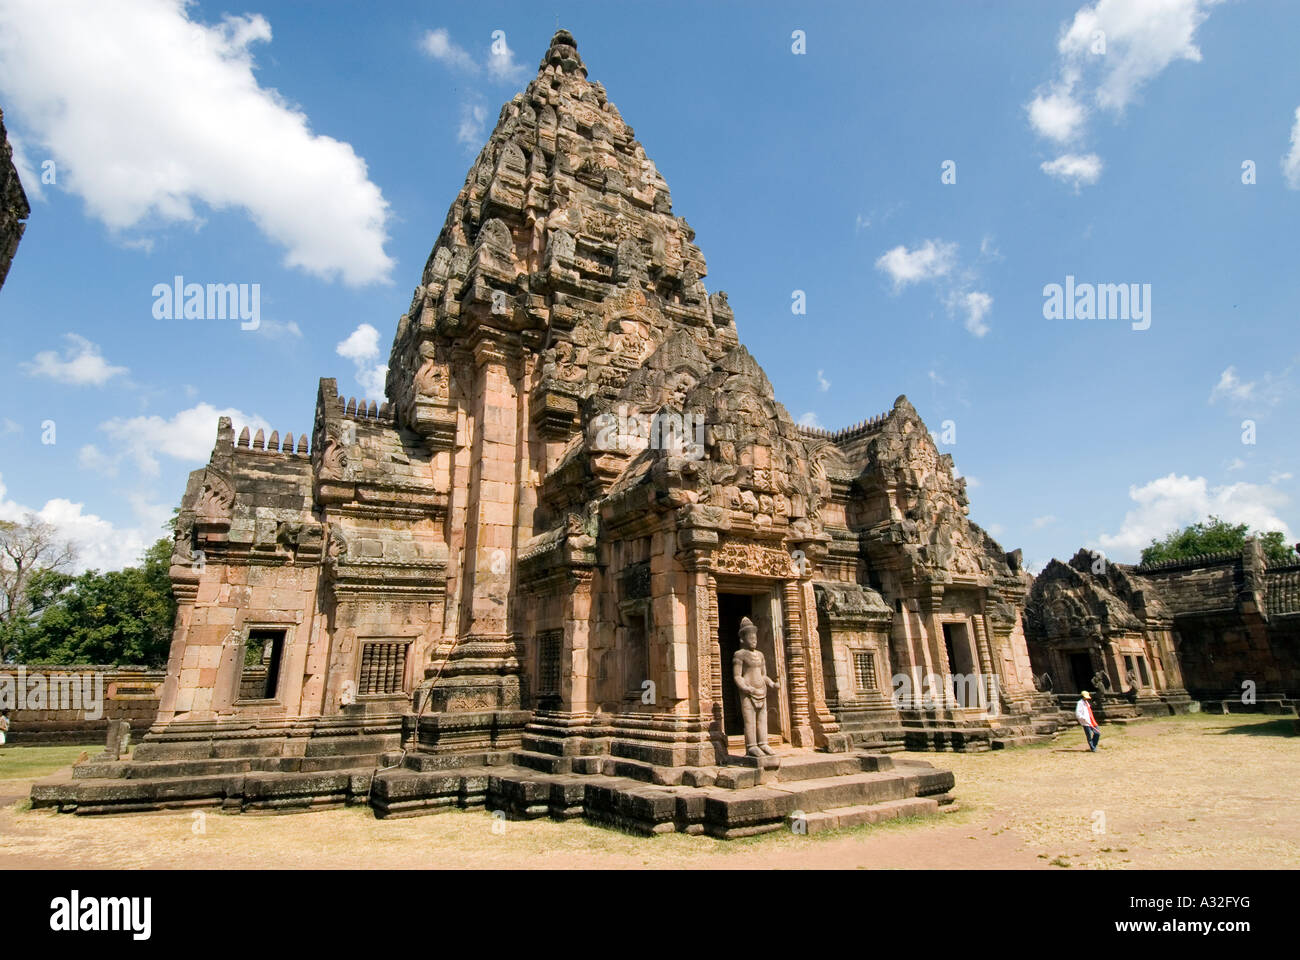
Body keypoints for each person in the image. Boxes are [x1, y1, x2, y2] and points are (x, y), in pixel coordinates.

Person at [732, 616, 777, 757]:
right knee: (750, 720)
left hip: (761, 690)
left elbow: (763, 674)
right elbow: (737, 676)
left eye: (755, 637)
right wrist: (745, 688)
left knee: (763, 719)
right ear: (742, 639)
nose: (754, 640)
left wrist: (771, 683)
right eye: (750, 637)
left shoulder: (760, 655)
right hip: (748, 691)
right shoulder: (739, 655)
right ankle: (751, 746)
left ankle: (763, 743)